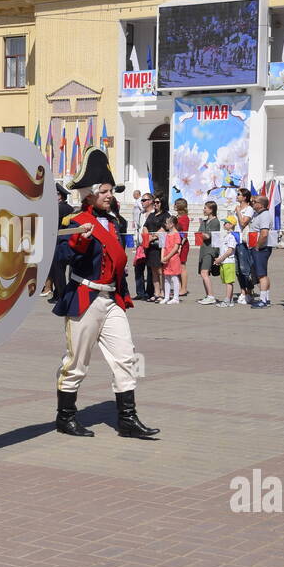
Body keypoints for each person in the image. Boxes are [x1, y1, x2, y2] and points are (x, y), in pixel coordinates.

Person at [53, 149, 158, 440]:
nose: (110, 195)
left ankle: (127, 420)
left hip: (111, 299)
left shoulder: (114, 222)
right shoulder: (74, 221)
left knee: (126, 356)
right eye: (105, 191)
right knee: (76, 362)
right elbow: (62, 256)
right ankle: (66, 418)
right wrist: (79, 240)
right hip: (85, 297)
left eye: (111, 191)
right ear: (90, 194)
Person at [247, 194, 273, 308]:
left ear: (260, 204)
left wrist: (257, 246)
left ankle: (263, 299)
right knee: (262, 273)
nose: (252, 202)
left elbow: (264, 233)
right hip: (256, 247)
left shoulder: (265, 215)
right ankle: (266, 297)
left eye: (254, 201)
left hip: (261, 248)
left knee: (261, 274)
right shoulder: (257, 214)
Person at [196, 201, 221, 305]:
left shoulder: (215, 222)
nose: (204, 210)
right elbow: (200, 234)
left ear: (211, 209)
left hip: (210, 250)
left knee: (204, 272)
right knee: (203, 273)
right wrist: (201, 233)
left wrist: (201, 234)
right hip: (203, 249)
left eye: (205, 208)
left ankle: (211, 296)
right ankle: (208, 295)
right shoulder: (205, 222)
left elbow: (207, 236)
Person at [160, 217, 182, 304]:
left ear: (172, 224)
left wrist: (167, 257)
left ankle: (176, 297)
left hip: (173, 259)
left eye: (167, 223)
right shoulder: (167, 234)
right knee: (166, 277)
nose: (165, 224)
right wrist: (162, 258)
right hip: (166, 259)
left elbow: (176, 248)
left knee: (174, 277)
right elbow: (163, 247)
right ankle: (166, 296)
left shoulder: (176, 234)